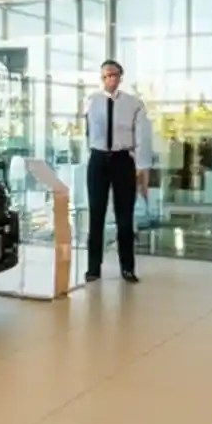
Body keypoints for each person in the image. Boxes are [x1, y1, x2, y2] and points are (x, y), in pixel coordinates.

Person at [83, 59, 152, 283]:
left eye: (113, 75)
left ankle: (127, 268)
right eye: (105, 75)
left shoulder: (134, 104)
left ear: (120, 77)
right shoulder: (91, 101)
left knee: (124, 216)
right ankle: (93, 268)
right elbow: (87, 131)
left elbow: (142, 138)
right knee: (96, 214)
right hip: (98, 159)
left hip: (123, 160)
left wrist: (142, 167)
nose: (109, 79)